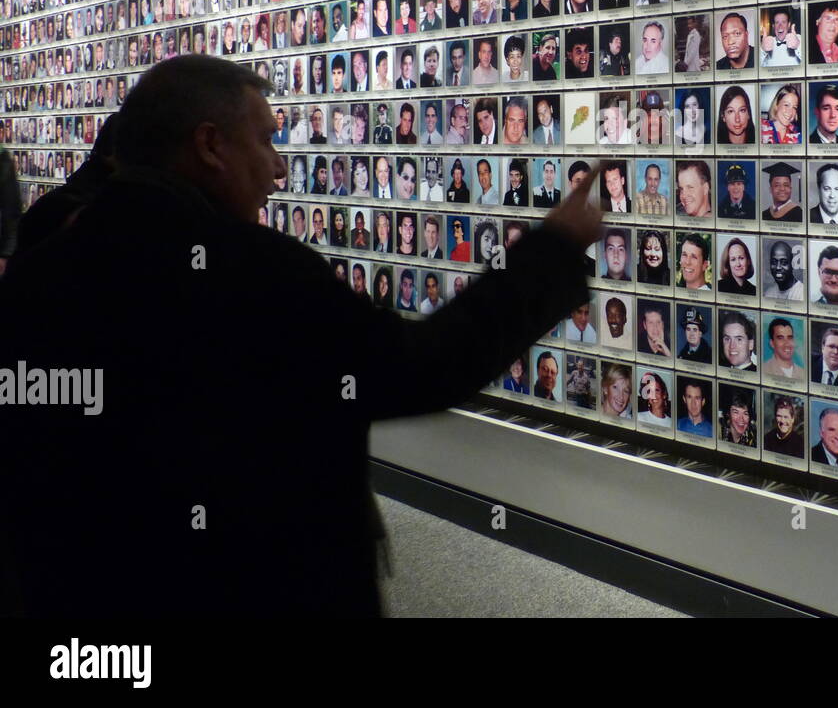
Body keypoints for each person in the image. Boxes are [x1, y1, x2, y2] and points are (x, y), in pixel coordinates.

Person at [0, 57, 608, 617]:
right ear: (210, 145)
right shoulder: (262, 275)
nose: (280, 166)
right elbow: (422, 366)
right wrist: (549, 254)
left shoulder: (40, 273)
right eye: (265, 141)